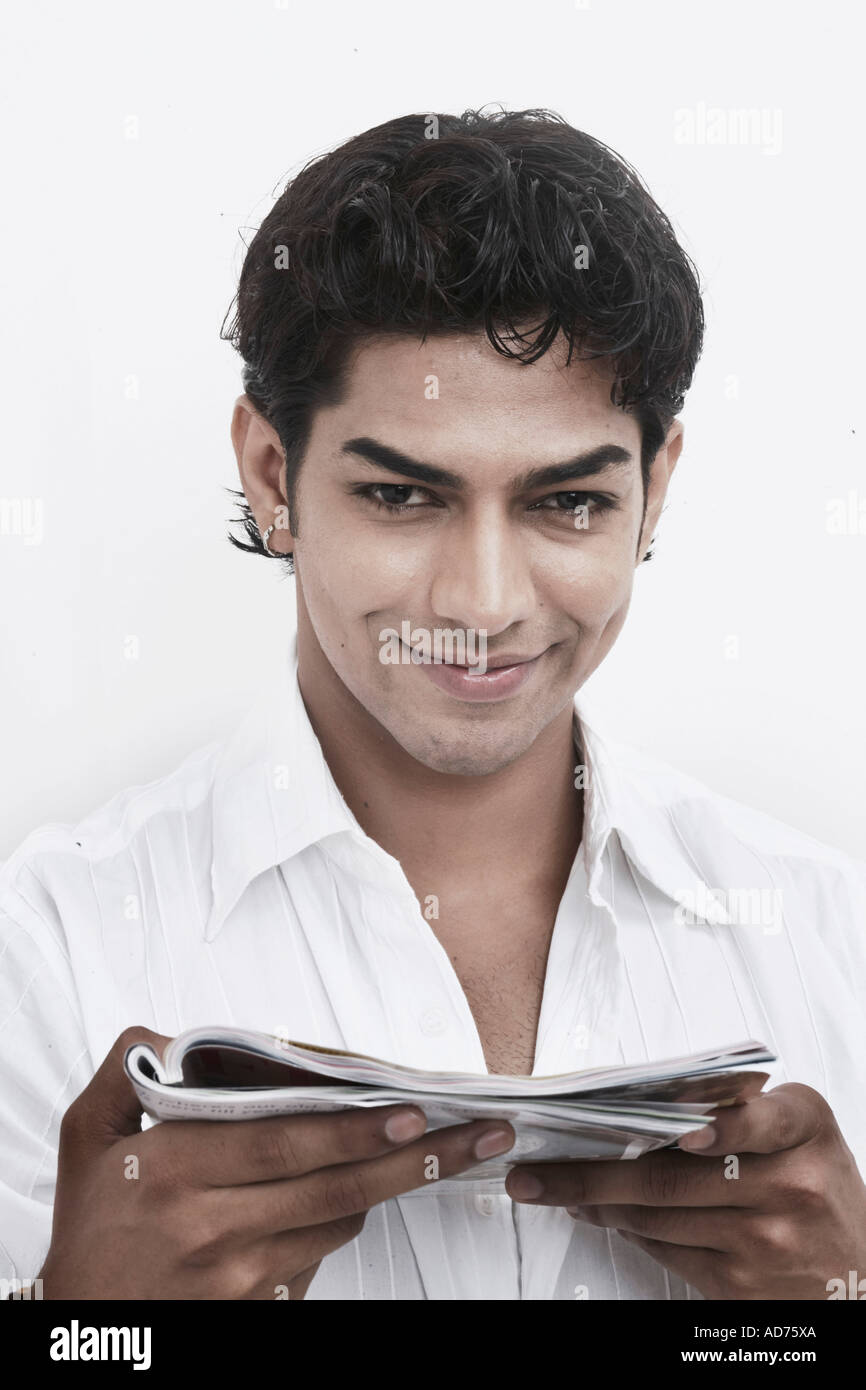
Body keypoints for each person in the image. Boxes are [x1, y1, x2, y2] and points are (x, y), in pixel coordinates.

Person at [2, 108, 865, 1302]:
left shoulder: (831, 940)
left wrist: (839, 1301)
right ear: (273, 478)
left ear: (651, 493)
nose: (485, 600)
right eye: (403, 495)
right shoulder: (43, 950)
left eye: (567, 503)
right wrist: (83, 1326)